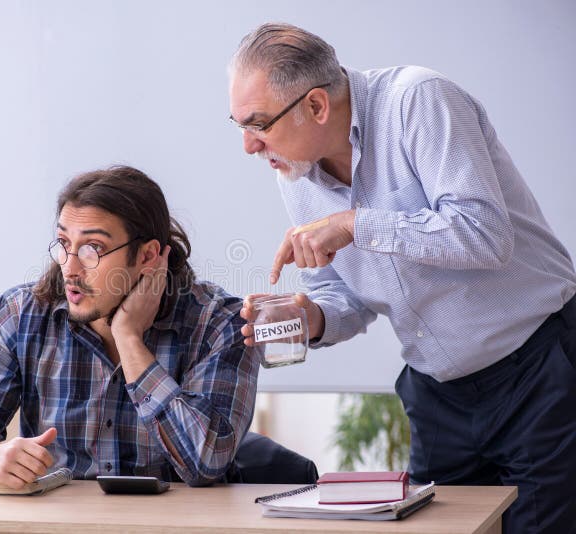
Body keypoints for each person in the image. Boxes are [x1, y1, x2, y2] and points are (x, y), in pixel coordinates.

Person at [228, 22, 576, 533]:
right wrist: (311, 317)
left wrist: (356, 224)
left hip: (536, 373)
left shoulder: (418, 101)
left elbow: (484, 234)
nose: (248, 146)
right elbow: (347, 292)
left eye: (258, 124)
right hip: (437, 396)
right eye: (239, 125)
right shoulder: (296, 169)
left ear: (316, 106)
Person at [0, 165, 261, 487]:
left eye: (92, 248)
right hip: (61, 520)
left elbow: (207, 462)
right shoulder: (20, 314)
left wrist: (129, 339)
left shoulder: (219, 322)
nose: (70, 268)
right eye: (64, 244)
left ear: (147, 256)